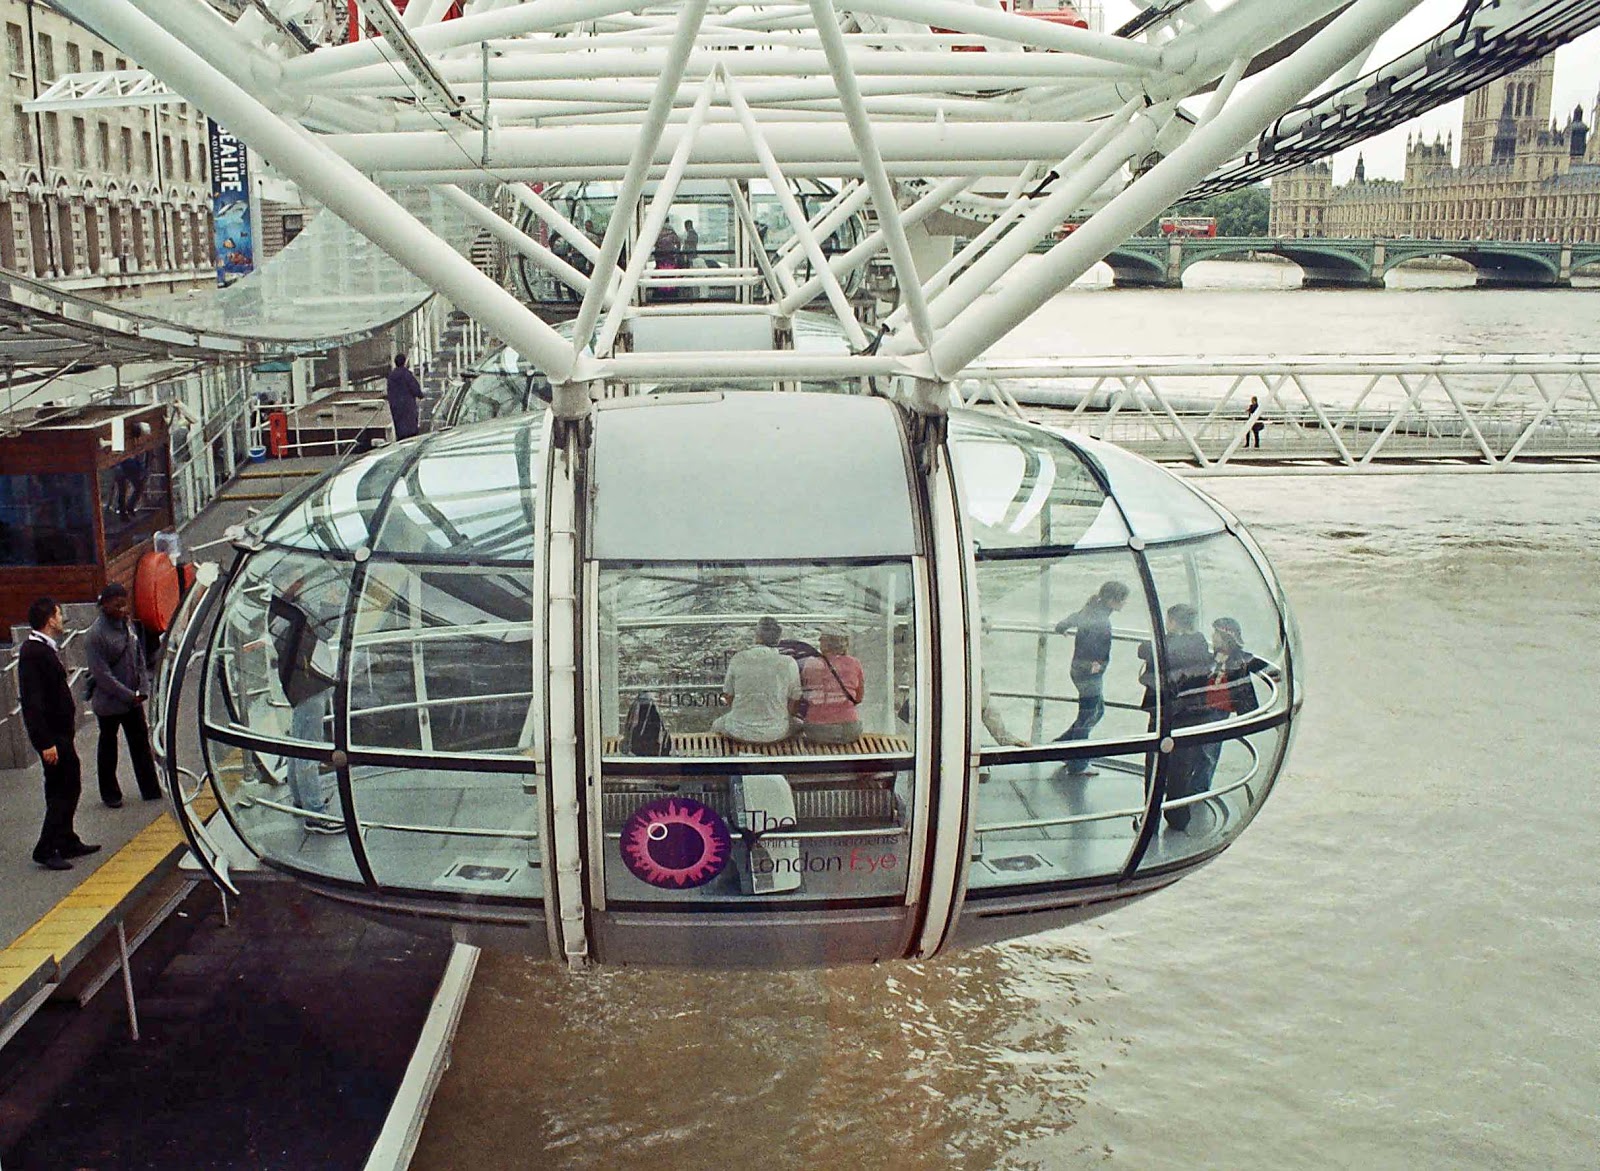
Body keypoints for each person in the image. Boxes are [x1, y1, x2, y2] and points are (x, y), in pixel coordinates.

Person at [17, 598, 100, 871]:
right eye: (59, 614)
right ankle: (46, 846)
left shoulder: (44, 649)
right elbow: (32, 702)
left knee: (69, 784)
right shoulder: (33, 653)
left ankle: (66, 838)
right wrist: (45, 742)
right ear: (50, 620)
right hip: (53, 737)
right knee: (61, 789)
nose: (62, 618)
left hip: (61, 734)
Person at [1177, 616, 1268, 828]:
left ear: (1226, 638)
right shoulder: (1210, 657)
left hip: (1220, 710)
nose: (1212, 638)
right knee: (1197, 748)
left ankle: (1199, 789)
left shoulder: (1241, 659)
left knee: (1208, 751)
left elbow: (1268, 671)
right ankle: (1192, 786)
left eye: (1216, 635)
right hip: (1203, 707)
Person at [267, 584, 342, 833]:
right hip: (310, 687)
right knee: (309, 750)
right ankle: (314, 813)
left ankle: (300, 800)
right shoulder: (294, 618)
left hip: (301, 688)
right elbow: (326, 630)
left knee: (298, 745)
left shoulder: (278, 616)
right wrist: (332, 604)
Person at [85, 583, 161, 808]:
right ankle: (110, 793)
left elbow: (138, 657)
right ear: (105, 605)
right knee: (109, 746)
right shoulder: (95, 636)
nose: (123, 608)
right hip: (110, 704)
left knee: (141, 745)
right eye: (117, 605)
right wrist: (129, 695)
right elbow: (102, 676)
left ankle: (150, 789)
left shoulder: (127, 626)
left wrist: (144, 689)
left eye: (124, 603)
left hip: (133, 701)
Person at [1052, 580, 1130, 778]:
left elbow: (1074, 619)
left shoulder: (1091, 608)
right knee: (1088, 715)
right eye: (1122, 599)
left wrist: (1062, 626)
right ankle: (1077, 763)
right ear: (1113, 600)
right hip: (1089, 674)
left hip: (1079, 670)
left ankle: (1062, 746)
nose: (1124, 603)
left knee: (1096, 710)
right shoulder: (1101, 620)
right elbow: (1095, 647)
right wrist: (1096, 665)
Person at [1152, 604, 1214, 830]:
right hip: (1192, 713)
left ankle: (1151, 813)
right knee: (1182, 766)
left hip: (1165, 711)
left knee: (1156, 764)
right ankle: (1178, 816)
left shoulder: (1169, 643)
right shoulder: (1199, 643)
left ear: (1174, 622)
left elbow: (1145, 651)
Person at [712, 616, 802, 745]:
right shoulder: (788, 663)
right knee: (798, 724)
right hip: (776, 732)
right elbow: (795, 699)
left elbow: (728, 695)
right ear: (778, 639)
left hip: (739, 730)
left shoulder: (738, 658)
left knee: (716, 725)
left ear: (757, 637)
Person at [799, 624, 865, 744]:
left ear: (826, 643)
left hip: (818, 730)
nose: (819, 640)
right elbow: (859, 698)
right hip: (849, 730)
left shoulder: (811, 664)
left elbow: (804, 694)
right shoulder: (855, 663)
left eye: (822, 638)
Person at [386, 353, 426, 441]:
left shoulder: (391, 376)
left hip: (396, 406)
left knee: (400, 428)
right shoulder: (407, 374)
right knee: (410, 429)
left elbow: (389, 391)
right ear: (404, 362)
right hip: (408, 406)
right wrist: (421, 395)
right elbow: (414, 387)